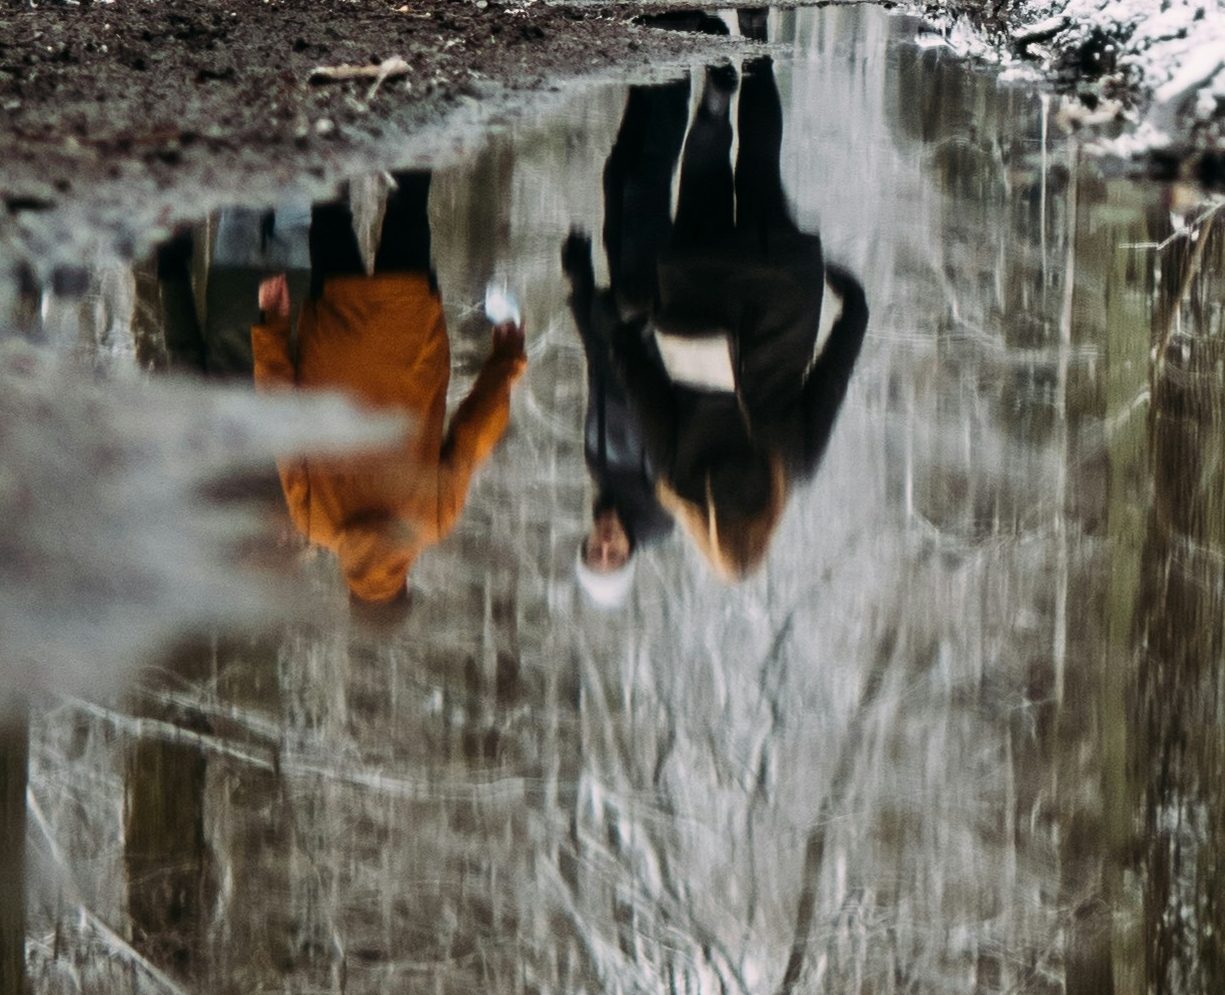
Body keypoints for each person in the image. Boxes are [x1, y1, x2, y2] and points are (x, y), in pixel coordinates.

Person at [562, 54, 866, 578]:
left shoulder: (792, 468)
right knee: (703, 178)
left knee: (760, 167)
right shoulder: (679, 481)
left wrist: (849, 299)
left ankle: (757, 47)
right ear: (706, 539)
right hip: (695, 291)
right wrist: (618, 322)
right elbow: (642, 387)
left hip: (779, 286)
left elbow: (834, 370)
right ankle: (714, 108)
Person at [251, 173, 526, 609]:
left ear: (405, 584)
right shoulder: (314, 523)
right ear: (349, 587)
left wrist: (507, 358)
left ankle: (417, 118)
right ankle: (328, 119)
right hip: (334, 343)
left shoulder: (431, 523)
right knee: (329, 212)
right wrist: (272, 328)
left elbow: (474, 434)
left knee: (408, 204)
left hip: (409, 335)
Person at [565, 66, 695, 602]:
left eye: (594, 551)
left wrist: (580, 282)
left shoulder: (599, 468)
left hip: (617, 311)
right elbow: (684, 394)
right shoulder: (663, 494)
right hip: (659, 312)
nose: (606, 544)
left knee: (620, 177)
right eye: (613, 557)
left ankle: (652, 65)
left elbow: (599, 372)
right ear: (630, 553)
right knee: (645, 186)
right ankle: (678, 62)